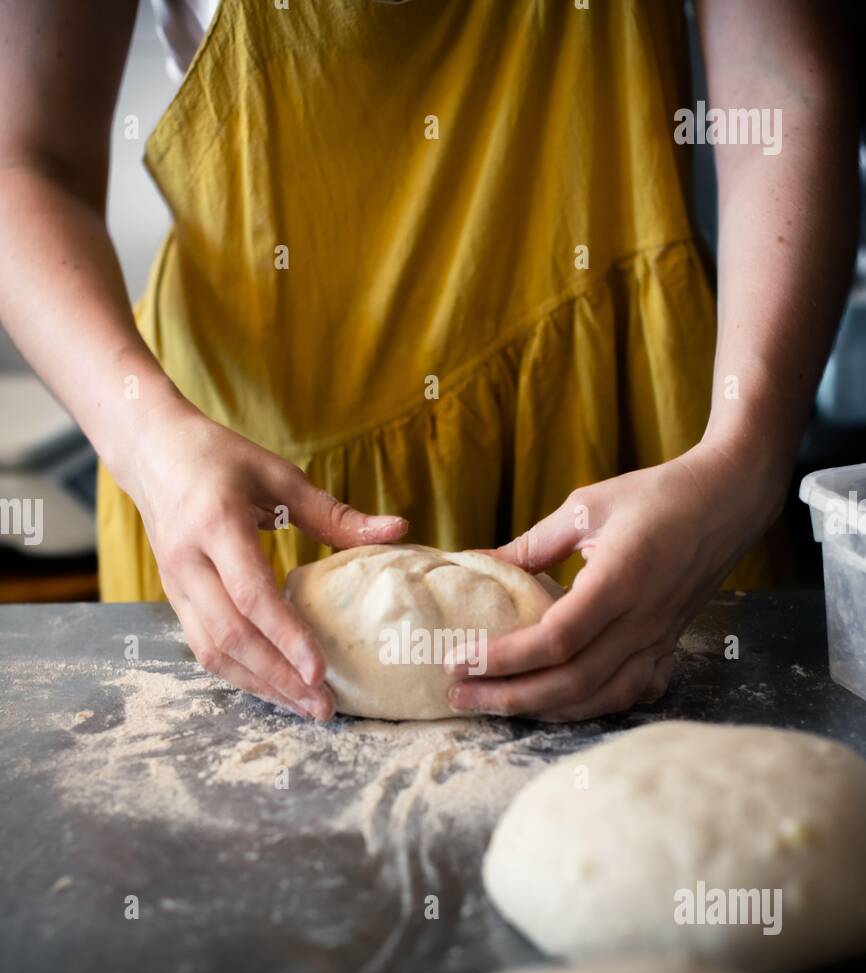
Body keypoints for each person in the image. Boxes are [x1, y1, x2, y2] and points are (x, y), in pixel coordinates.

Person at [0, 0, 856, 720]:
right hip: (246, 475)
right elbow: (20, 159)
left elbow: (782, 80)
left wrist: (744, 455)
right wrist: (149, 442)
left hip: (645, 439)